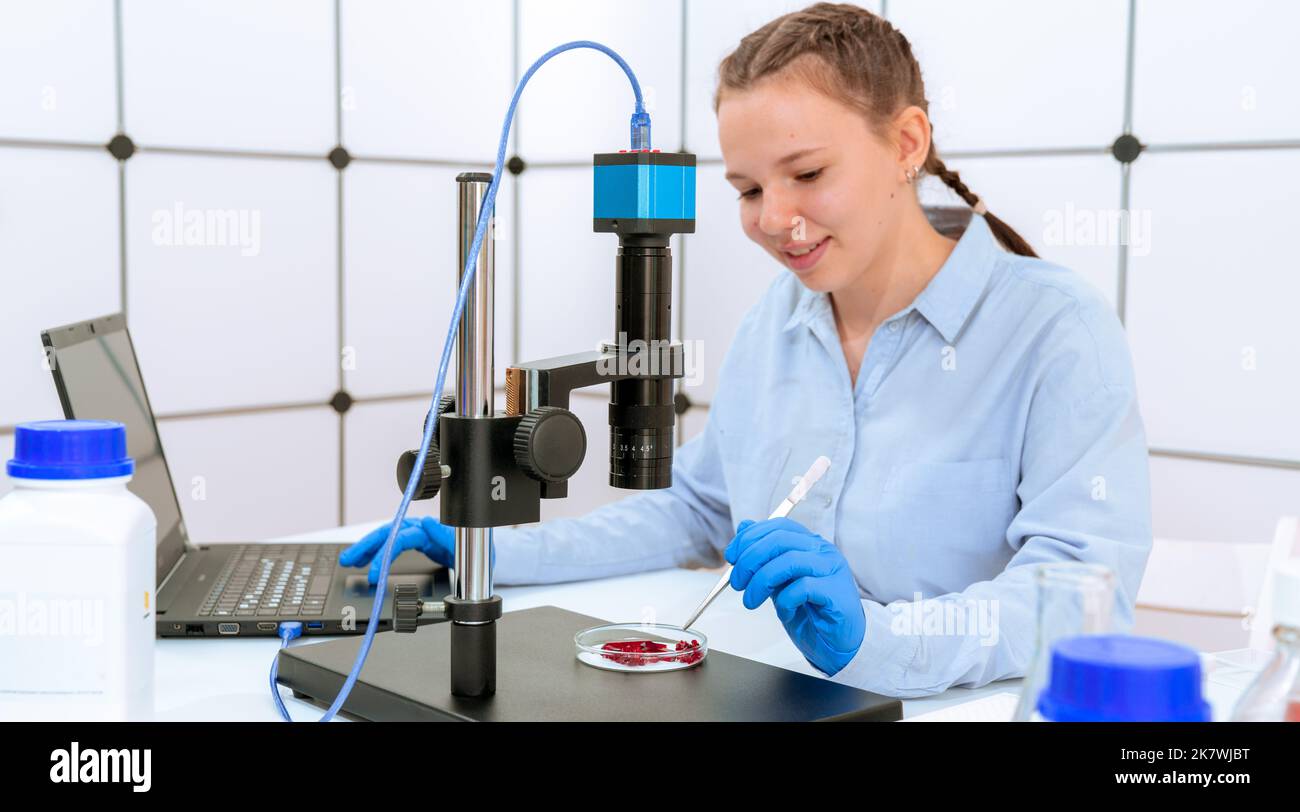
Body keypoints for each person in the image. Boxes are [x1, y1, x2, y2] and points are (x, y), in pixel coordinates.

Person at [340, 2, 1152, 699]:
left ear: (907, 143)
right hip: (777, 697)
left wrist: (877, 639)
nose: (773, 217)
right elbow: (697, 510)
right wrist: (487, 545)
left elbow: (1083, 596)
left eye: (806, 172)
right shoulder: (780, 321)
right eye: (749, 189)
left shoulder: (1055, 332)